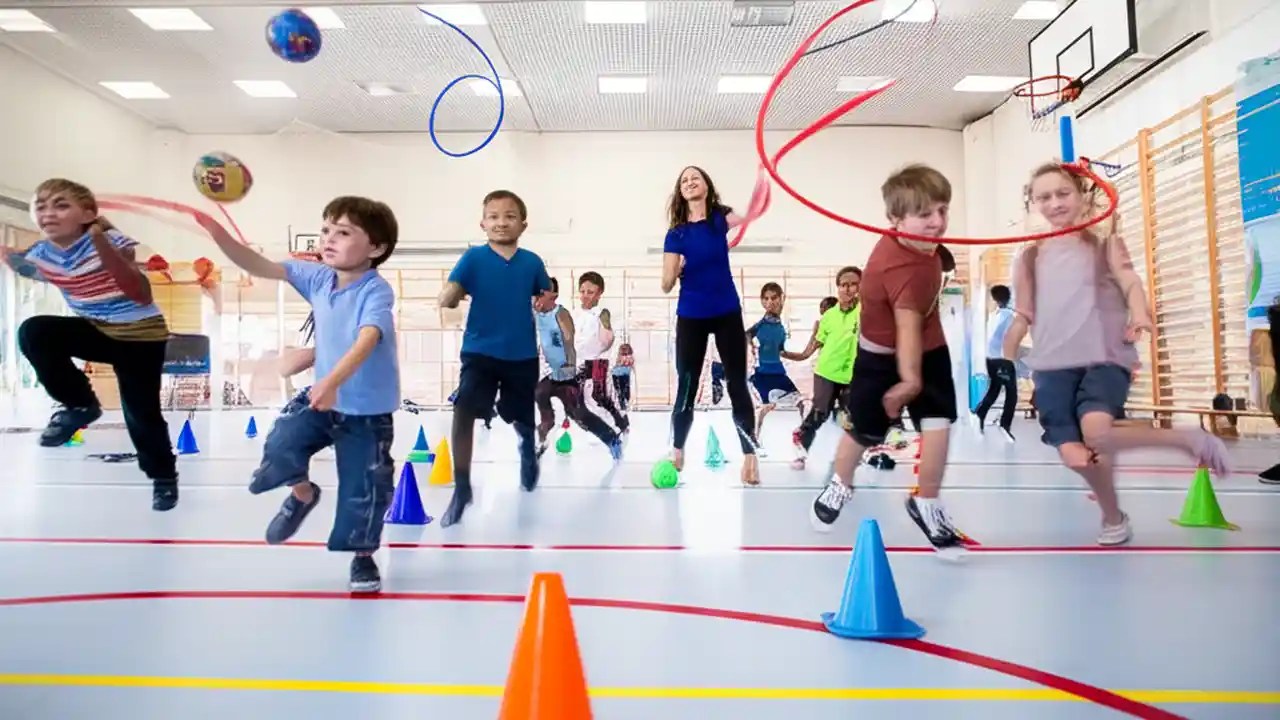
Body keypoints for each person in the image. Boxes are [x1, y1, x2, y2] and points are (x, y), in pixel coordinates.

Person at [1004, 162, 1230, 544]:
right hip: (1053, 365)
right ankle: (1112, 515)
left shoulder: (1103, 243)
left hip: (1104, 355)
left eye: (1064, 193)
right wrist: (1007, 351)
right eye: (1045, 197)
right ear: (1033, 202)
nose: (1055, 203)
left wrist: (1139, 314)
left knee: (1097, 430)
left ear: (1081, 196)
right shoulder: (1028, 257)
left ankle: (1189, 440)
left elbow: (1130, 281)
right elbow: (1024, 311)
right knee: (1077, 454)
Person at [200, 196, 400, 591]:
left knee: (365, 487)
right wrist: (218, 233)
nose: (329, 238)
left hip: (365, 411)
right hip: (322, 399)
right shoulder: (317, 278)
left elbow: (368, 338)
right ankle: (303, 494)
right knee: (282, 442)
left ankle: (362, 557)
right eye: (326, 229)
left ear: (375, 248)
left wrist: (331, 380)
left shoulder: (375, 291)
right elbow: (259, 265)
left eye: (343, 233)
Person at [809, 165, 967, 553]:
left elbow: (921, 316)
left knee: (938, 425)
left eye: (943, 210)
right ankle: (840, 484)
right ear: (896, 220)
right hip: (882, 358)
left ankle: (926, 500)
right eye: (926, 214)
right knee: (864, 432)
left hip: (930, 347)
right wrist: (909, 382)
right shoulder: (899, 268)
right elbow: (906, 327)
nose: (938, 222)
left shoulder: (920, 243)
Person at [5, 178, 178, 511]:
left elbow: (140, 293)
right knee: (35, 331)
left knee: (140, 413)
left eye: (60, 204)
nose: (48, 213)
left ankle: (163, 479)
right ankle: (80, 405)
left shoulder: (111, 240)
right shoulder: (44, 253)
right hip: (98, 330)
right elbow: (23, 265)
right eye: (40, 206)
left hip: (140, 338)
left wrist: (101, 244)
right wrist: (10, 255)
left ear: (87, 214)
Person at [438, 190, 552, 526]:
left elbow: (546, 293)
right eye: (494, 216)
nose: (501, 222)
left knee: (520, 415)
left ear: (523, 224)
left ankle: (527, 449)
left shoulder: (532, 261)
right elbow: (453, 288)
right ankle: (462, 488)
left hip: (521, 354)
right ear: (483, 223)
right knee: (464, 410)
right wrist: (450, 296)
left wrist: (546, 301)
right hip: (479, 351)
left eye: (510, 216)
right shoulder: (473, 258)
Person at [661, 165, 760, 485]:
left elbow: (749, 215)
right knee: (687, 384)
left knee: (736, 383)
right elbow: (665, 284)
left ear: (706, 185)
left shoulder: (720, 218)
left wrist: (762, 176)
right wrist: (679, 267)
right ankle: (677, 449)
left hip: (727, 310)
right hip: (691, 314)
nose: (690, 182)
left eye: (695, 178)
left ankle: (750, 455)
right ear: (680, 191)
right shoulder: (676, 234)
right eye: (684, 180)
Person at [534, 276, 624, 459]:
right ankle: (540, 442)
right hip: (547, 373)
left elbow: (569, 341)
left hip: (567, 373)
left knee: (579, 413)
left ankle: (611, 438)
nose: (537, 300)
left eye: (542, 295)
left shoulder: (562, 315)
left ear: (553, 296)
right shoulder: (537, 315)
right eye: (536, 296)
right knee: (542, 402)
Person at [786, 267, 862, 468]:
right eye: (844, 285)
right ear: (838, 288)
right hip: (826, 372)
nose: (848, 289)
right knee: (820, 413)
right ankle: (801, 448)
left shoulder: (866, 312)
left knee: (851, 416)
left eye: (853, 284)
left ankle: (856, 455)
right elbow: (811, 348)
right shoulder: (829, 316)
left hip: (853, 374)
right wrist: (786, 354)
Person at [747, 282, 807, 438]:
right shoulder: (760, 324)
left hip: (779, 373)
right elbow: (746, 335)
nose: (770, 302)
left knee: (802, 403)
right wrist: (751, 348)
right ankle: (752, 442)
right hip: (762, 374)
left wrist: (802, 356)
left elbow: (781, 351)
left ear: (781, 298)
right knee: (763, 408)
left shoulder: (780, 325)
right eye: (766, 299)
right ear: (761, 301)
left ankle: (803, 438)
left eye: (773, 298)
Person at [574, 271, 629, 432]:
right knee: (579, 399)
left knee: (599, 397)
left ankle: (618, 423)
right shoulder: (574, 314)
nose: (585, 296)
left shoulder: (601, 313)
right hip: (577, 360)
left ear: (599, 294)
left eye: (590, 292)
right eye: (582, 291)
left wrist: (607, 337)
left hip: (596, 361)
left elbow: (607, 338)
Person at [974, 284, 1018, 439]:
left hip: (990, 359)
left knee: (994, 390)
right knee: (1012, 394)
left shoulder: (994, 315)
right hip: (1003, 360)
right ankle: (1005, 425)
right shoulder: (1009, 316)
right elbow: (1007, 338)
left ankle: (980, 413)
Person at [611, 342, 635, 410]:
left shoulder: (629, 367)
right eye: (624, 354)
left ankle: (623, 405)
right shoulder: (616, 367)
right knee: (622, 394)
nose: (627, 356)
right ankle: (623, 405)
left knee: (622, 394)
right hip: (620, 376)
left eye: (628, 354)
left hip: (619, 375)